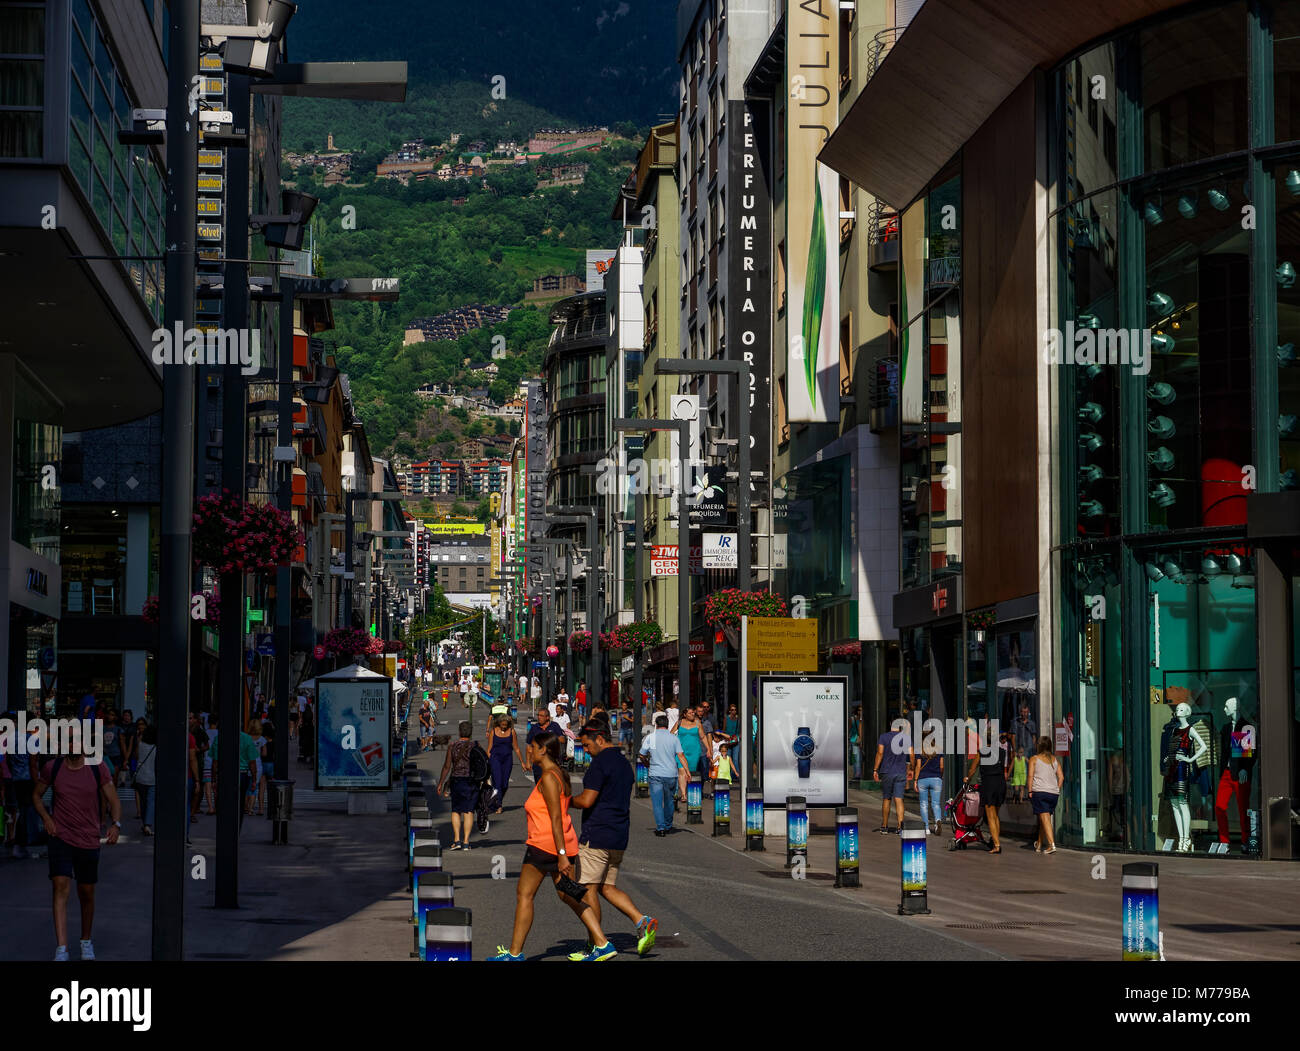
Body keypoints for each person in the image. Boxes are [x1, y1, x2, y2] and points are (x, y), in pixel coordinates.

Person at [486, 732, 614, 961]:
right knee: (570, 895)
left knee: (525, 895)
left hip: (545, 845)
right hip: (559, 844)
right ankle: (602, 943)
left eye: (533, 747)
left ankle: (514, 954)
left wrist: (561, 855)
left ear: (544, 749)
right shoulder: (559, 774)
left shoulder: (548, 777)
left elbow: (556, 817)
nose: (530, 750)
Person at [567, 722, 658, 959]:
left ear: (599, 738)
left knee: (587, 890)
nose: (585, 750)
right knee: (607, 887)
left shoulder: (600, 764)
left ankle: (598, 944)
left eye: (586, 745)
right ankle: (642, 921)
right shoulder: (623, 763)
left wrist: (566, 800)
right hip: (619, 834)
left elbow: (587, 800)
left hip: (597, 833)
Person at [31, 744, 122, 961]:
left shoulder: (96, 767)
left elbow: (114, 800)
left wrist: (116, 824)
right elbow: (36, 795)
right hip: (60, 837)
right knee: (60, 886)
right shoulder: (53, 767)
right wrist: (46, 818)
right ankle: (61, 949)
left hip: (88, 839)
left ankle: (86, 941)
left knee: (86, 892)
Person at [640, 714, 691, 836]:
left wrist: (647, 763)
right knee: (669, 801)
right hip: (671, 774)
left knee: (657, 803)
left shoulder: (651, 738)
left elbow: (642, 754)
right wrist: (687, 771)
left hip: (655, 774)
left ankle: (661, 828)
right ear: (667, 725)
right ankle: (668, 825)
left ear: (656, 725)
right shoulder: (674, 738)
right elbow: (681, 756)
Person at [210, 720, 261, 828]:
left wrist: (213, 780)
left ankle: (224, 826)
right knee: (240, 803)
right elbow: (252, 762)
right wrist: (254, 779)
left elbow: (215, 762)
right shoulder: (247, 738)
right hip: (242, 774)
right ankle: (237, 827)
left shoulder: (219, 738)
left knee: (224, 803)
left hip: (224, 775)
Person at [967, 727, 1009, 853]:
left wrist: (967, 779)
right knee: (996, 815)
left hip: (989, 784)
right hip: (1000, 784)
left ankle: (996, 845)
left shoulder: (982, 752)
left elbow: (972, 769)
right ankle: (995, 840)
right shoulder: (1002, 752)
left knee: (990, 816)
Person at [437, 721, 478, 850]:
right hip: (471, 781)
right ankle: (466, 841)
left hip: (457, 780)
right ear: (470, 733)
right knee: (469, 811)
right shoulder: (475, 746)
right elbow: (481, 764)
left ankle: (457, 840)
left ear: (459, 732)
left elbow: (447, 766)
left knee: (456, 810)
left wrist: (441, 783)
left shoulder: (453, 746)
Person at [873, 718, 914, 834]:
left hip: (887, 772)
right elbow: (911, 754)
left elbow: (880, 753)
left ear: (890, 723)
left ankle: (884, 826)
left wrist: (875, 769)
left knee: (887, 798)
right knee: (899, 799)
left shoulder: (884, 737)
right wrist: (911, 769)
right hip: (901, 772)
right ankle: (900, 827)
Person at [1027, 736, 1064, 853]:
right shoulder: (1055, 760)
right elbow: (1061, 777)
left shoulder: (1034, 759)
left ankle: (1051, 845)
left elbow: (1030, 776)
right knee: (1045, 818)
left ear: (1039, 746)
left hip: (1040, 792)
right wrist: (1056, 788)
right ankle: (1039, 844)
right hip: (1053, 794)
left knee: (1044, 818)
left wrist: (1029, 791)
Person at [486, 715, 525, 814]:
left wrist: (522, 762)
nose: (504, 727)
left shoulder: (512, 732)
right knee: (498, 781)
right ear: (499, 723)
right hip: (495, 758)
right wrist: (487, 762)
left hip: (507, 759)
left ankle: (496, 800)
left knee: (504, 784)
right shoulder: (493, 732)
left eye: (506, 725)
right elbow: (489, 749)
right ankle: (499, 805)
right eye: (502, 724)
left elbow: (516, 748)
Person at [673, 705, 710, 793]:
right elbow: (671, 734)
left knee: (690, 771)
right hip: (681, 751)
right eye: (690, 713)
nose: (692, 714)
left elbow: (703, 737)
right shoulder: (679, 722)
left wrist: (708, 749)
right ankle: (683, 794)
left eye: (693, 712)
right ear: (685, 714)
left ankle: (688, 790)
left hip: (694, 752)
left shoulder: (697, 723)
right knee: (682, 770)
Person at [913, 739, 944, 835]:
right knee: (936, 804)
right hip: (936, 779)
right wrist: (939, 776)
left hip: (923, 779)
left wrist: (915, 780)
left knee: (923, 804)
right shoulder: (939, 749)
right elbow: (942, 766)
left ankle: (926, 828)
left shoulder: (919, 749)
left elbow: (918, 766)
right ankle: (937, 820)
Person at [133, 725, 158, 835]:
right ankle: (147, 825)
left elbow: (136, 756)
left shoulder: (141, 744)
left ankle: (144, 824)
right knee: (151, 801)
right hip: (152, 777)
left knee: (143, 802)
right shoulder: (156, 747)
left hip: (140, 777)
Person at [526, 706, 559, 781]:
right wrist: (528, 762)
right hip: (538, 763)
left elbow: (562, 739)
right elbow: (529, 746)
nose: (539, 717)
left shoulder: (554, 726)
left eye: (541, 716)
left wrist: (551, 739)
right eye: (538, 715)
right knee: (539, 785)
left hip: (551, 761)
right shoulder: (534, 728)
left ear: (547, 717)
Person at [245, 718, 264, 817]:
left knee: (246, 787)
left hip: (247, 762)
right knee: (254, 787)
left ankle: (246, 807)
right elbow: (264, 753)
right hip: (258, 762)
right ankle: (251, 809)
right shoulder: (262, 739)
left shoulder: (247, 738)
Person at [201, 713, 219, 815]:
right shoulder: (219, 733)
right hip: (217, 762)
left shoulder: (205, 732)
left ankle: (210, 807)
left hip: (207, 761)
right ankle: (216, 806)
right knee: (216, 785)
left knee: (207, 785)